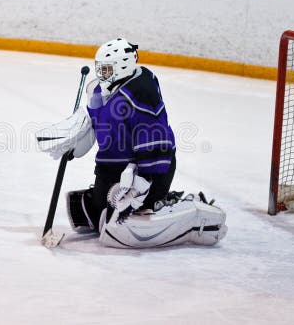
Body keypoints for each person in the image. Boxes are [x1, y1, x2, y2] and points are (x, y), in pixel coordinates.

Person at [38, 38, 227, 247]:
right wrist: (75, 139)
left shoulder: (141, 93)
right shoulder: (102, 91)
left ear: (123, 67)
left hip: (146, 168)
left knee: (120, 229)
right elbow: (94, 122)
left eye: (107, 70)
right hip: (110, 168)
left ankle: (183, 207)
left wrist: (141, 184)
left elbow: (157, 142)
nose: (102, 75)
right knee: (94, 215)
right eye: (99, 69)